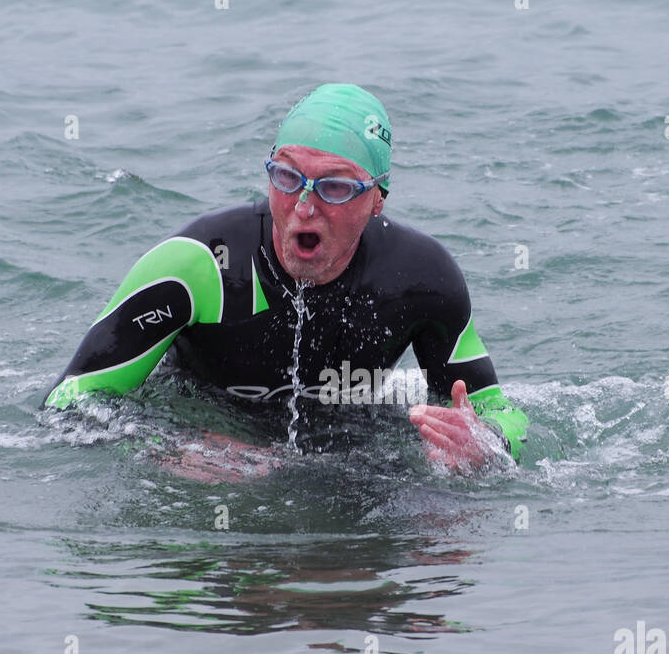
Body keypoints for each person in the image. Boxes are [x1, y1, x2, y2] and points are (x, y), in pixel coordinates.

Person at [42, 83, 528, 473]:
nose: (303, 206)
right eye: (288, 177)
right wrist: (170, 448)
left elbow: (499, 412)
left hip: (347, 456)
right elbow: (68, 403)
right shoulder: (200, 266)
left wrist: (484, 444)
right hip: (202, 429)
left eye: (334, 186)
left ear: (378, 198)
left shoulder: (422, 280)